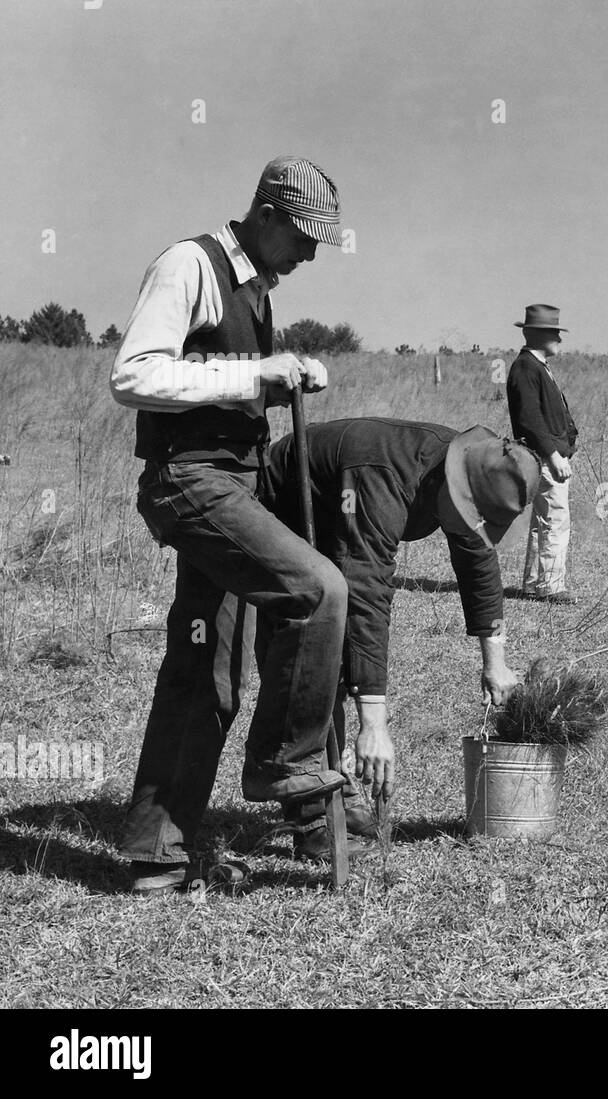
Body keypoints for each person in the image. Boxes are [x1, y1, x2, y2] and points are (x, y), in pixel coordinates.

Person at [109, 155, 347, 894]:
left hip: (229, 486)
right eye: (304, 237)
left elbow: (227, 383)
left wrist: (279, 375)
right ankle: (284, 763)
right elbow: (134, 374)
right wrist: (254, 376)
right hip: (189, 481)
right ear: (267, 213)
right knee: (319, 591)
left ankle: (158, 854)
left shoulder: (254, 289)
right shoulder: (192, 265)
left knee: (203, 672)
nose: (309, 254)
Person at [262, 421, 539, 858]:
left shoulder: (469, 469)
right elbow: (366, 591)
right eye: (470, 516)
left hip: (339, 522)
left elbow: (479, 564)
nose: (470, 527)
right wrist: (374, 724)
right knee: (314, 655)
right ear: (454, 487)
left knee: (332, 647)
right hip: (282, 507)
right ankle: (314, 813)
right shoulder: (382, 477)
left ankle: (330, 792)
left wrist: (495, 659)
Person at [506, 304, 578, 603]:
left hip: (545, 457)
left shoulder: (533, 367)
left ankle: (534, 582)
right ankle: (550, 586)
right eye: (554, 333)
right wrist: (553, 455)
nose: (559, 339)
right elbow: (530, 420)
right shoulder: (526, 368)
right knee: (555, 520)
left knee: (543, 521)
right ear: (537, 335)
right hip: (544, 459)